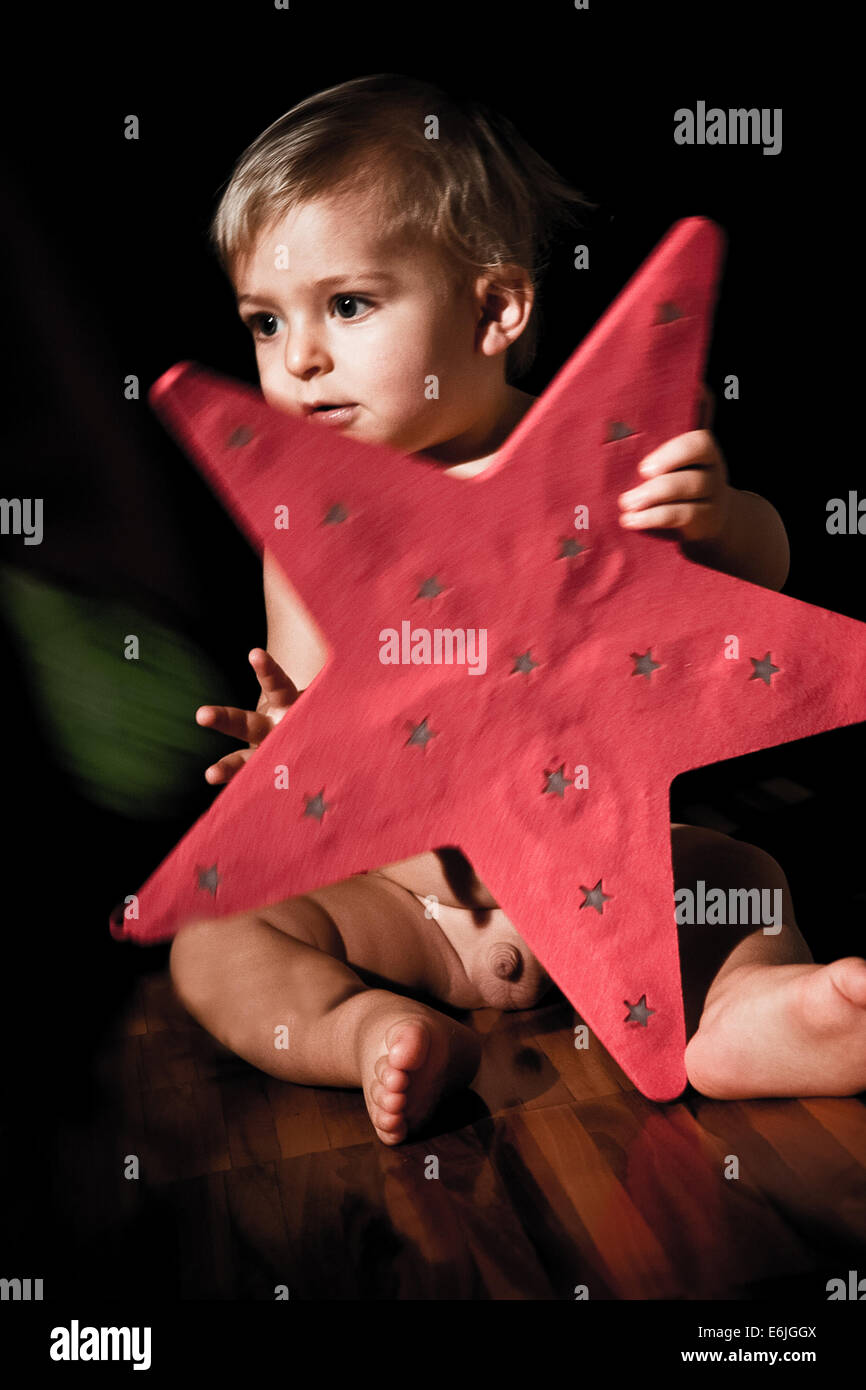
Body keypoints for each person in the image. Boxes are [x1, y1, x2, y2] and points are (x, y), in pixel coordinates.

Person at [170, 75, 866, 1145]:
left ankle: (738, 1016)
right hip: (409, 917)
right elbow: (330, 731)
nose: (298, 359)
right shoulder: (299, 529)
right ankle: (368, 1029)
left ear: (496, 309)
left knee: (736, 875)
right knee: (216, 938)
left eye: (346, 306)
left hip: (608, 880)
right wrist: (282, 748)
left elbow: (761, 575)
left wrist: (714, 518)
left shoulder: (587, 466)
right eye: (266, 322)